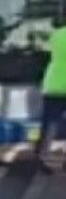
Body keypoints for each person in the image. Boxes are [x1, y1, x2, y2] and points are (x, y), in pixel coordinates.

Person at [37, 18, 66, 173]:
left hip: (54, 84)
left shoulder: (56, 35)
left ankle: (42, 158)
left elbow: (43, 51)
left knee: (49, 125)